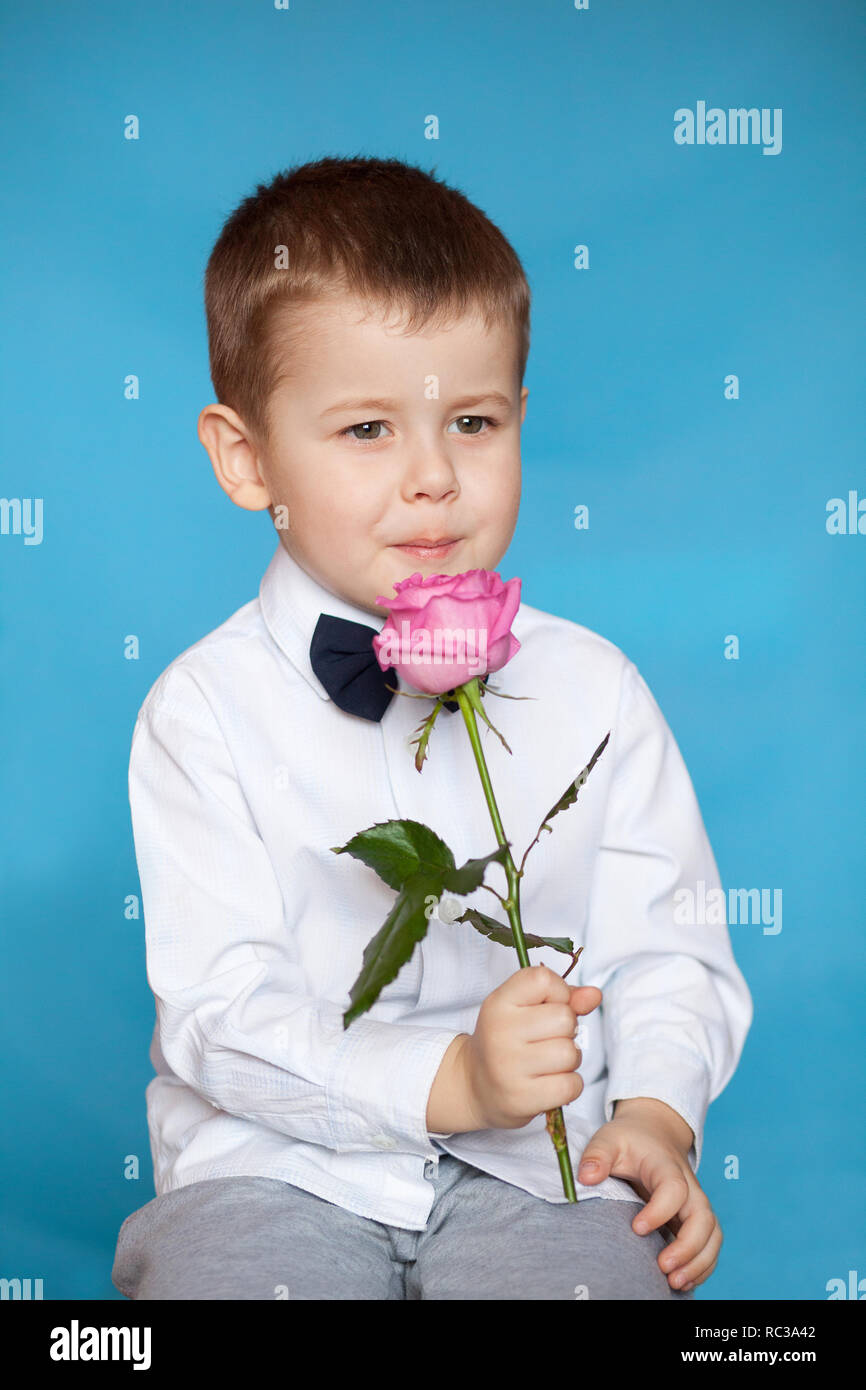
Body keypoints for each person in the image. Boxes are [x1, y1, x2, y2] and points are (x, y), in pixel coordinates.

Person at [111, 155, 752, 1301]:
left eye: (471, 420)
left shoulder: (593, 688)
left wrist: (656, 1113)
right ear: (247, 458)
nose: (433, 479)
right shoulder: (198, 713)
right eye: (365, 429)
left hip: (544, 1163)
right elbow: (222, 1012)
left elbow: (668, 948)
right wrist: (445, 1078)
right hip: (274, 1167)